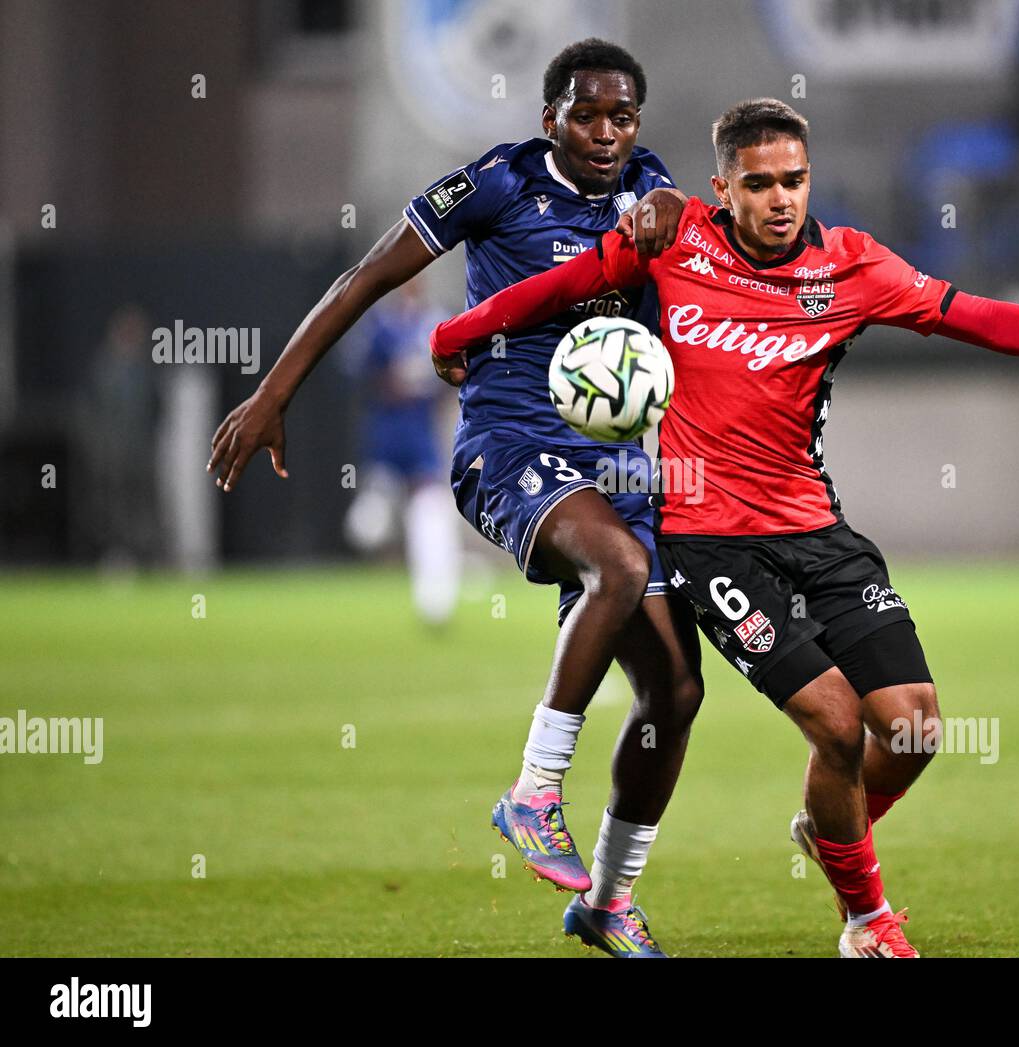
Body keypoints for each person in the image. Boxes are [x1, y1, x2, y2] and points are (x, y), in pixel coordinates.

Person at [429, 98, 1019, 958]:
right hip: (711, 541)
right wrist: (462, 330)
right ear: (722, 187)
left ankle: (827, 827)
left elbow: (981, 317)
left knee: (914, 726)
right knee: (839, 727)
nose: (781, 199)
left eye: (795, 180)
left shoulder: (855, 266)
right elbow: (564, 285)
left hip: (818, 529)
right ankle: (865, 919)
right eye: (760, 183)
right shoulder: (672, 241)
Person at [208, 39, 703, 957]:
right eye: (586, 115)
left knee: (674, 693)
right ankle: (534, 789)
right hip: (508, 449)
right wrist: (274, 392)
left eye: (622, 117)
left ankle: (607, 899)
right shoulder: (495, 183)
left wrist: (674, 206)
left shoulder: (646, 182)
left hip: (621, 470)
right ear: (547, 116)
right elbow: (365, 279)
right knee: (622, 567)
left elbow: (674, 215)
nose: (605, 133)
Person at [342, 281, 460, 625]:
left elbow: (458, 371)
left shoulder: (437, 321)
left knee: (432, 516)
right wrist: (386, 380)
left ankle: (435, 601)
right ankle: (386, 543)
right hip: (385, 436)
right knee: (368, 524)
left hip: (420, 435)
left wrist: (439, 387)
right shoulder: (380, 323)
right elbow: (353, 368)